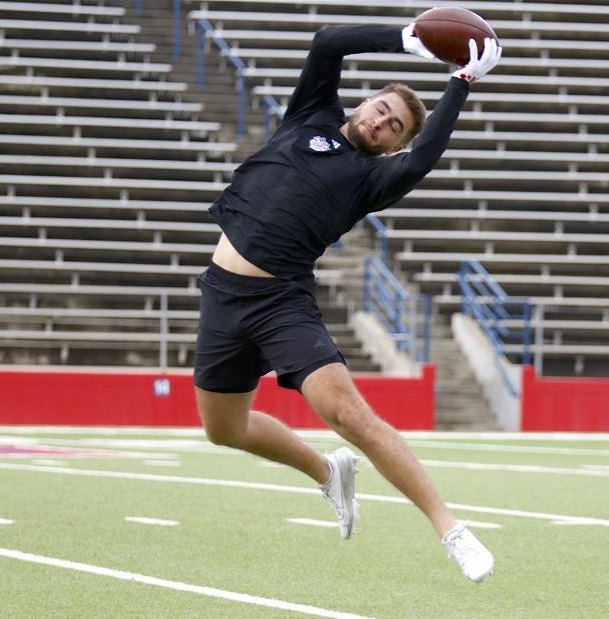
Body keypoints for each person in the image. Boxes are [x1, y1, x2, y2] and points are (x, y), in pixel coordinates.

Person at [193, 21, 502, 583]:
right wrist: (408, 37)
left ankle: (451, 530)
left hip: (278, 301)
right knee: (223, 429)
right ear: (365, 101)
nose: (381, 120)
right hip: (220, 294)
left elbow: (422, 161)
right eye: (381, 107)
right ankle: (326, 472)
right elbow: (327, 41)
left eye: (394, 126)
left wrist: (459, 82)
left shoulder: (370, 178)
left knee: (349, 415)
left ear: (395, 143)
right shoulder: (311, 114)